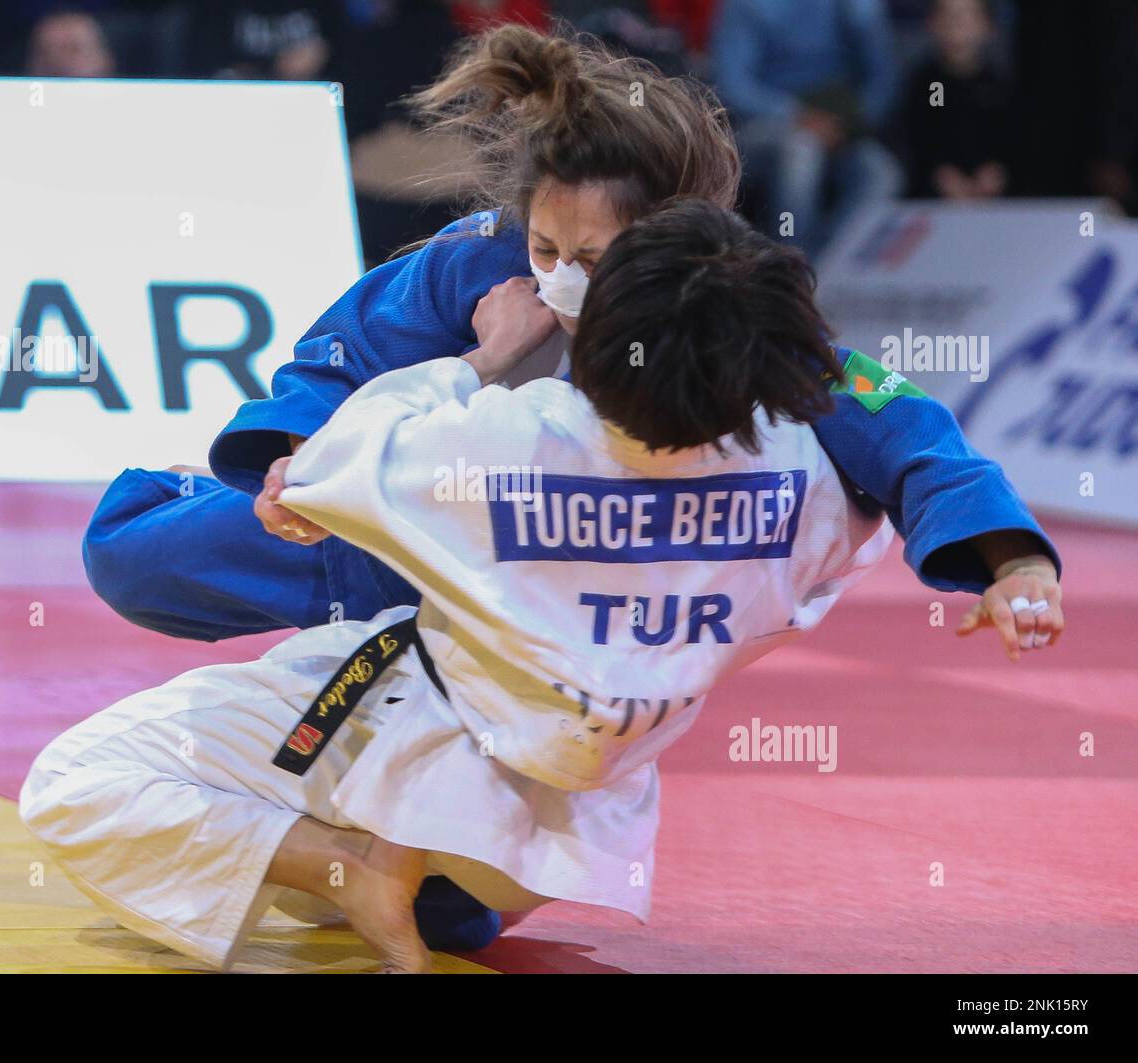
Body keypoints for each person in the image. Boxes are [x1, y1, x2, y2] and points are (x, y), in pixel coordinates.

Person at [81, 24, 1063, 951]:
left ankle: (383, 838)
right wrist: (289, 462)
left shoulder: (726, 304)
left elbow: (907, 433)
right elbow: (336, 362)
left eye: (591, 260)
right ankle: (211, 540)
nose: (557, 278)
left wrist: (1008, 559)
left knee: (454, 919)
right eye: (546, 250)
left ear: (674, 236)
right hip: (388, 532)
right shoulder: (476, 262)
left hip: (528, 603)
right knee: (129, 556)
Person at [21, 199, 897, 973]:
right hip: (558, 849)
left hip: (425, 758)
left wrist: (487, 355)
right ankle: (390, 874)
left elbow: (327, 463)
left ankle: (354, 864)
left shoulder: (514, 435)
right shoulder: (808, 486)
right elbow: (892, 474)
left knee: (81, 777)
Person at [710, 0, 902, 253]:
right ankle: (790, 264)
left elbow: (883, 79)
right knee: (802, 149)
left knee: (880, 172)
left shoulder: (853, 7)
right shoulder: (748, 6)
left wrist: (851, 120)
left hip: (836, 127)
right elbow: (732, 86)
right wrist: (796, 115)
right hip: (764, 127)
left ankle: (829, 263)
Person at [897, 0, 1014, 200]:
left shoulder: (995, 84)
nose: (957, 24)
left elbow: (1010, 135)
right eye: (948, 16)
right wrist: (941, 172)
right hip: (938, 193)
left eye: (967, 16)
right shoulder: (935, 84)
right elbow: (929, 131)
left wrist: (997, 169)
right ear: (932, 23)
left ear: (988, 25)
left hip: (993, 194)